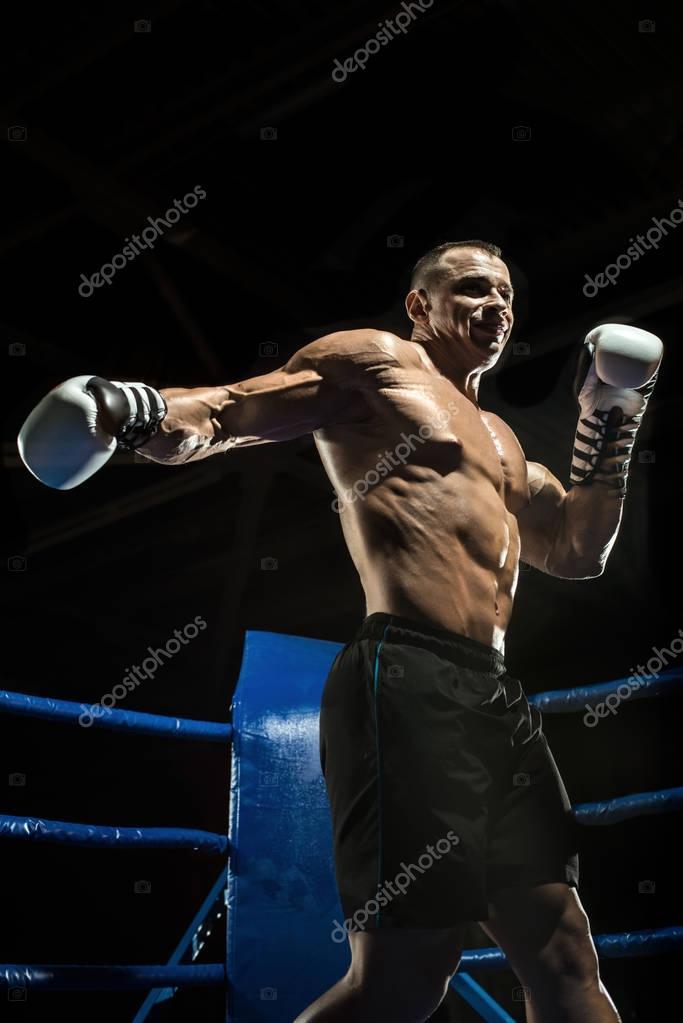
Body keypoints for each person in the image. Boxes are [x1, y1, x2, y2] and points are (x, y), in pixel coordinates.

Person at [18, 240, 662, 1022]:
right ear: (419, 305)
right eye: (468, 288)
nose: (493, 304)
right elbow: (232, 410)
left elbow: (575, 549)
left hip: (495, 695)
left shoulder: (502, 440)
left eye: (503, 294)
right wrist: (134, 410)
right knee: (405, 973)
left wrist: (611, 419)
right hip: (406, 674)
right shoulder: (376, 362)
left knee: (564, 958)